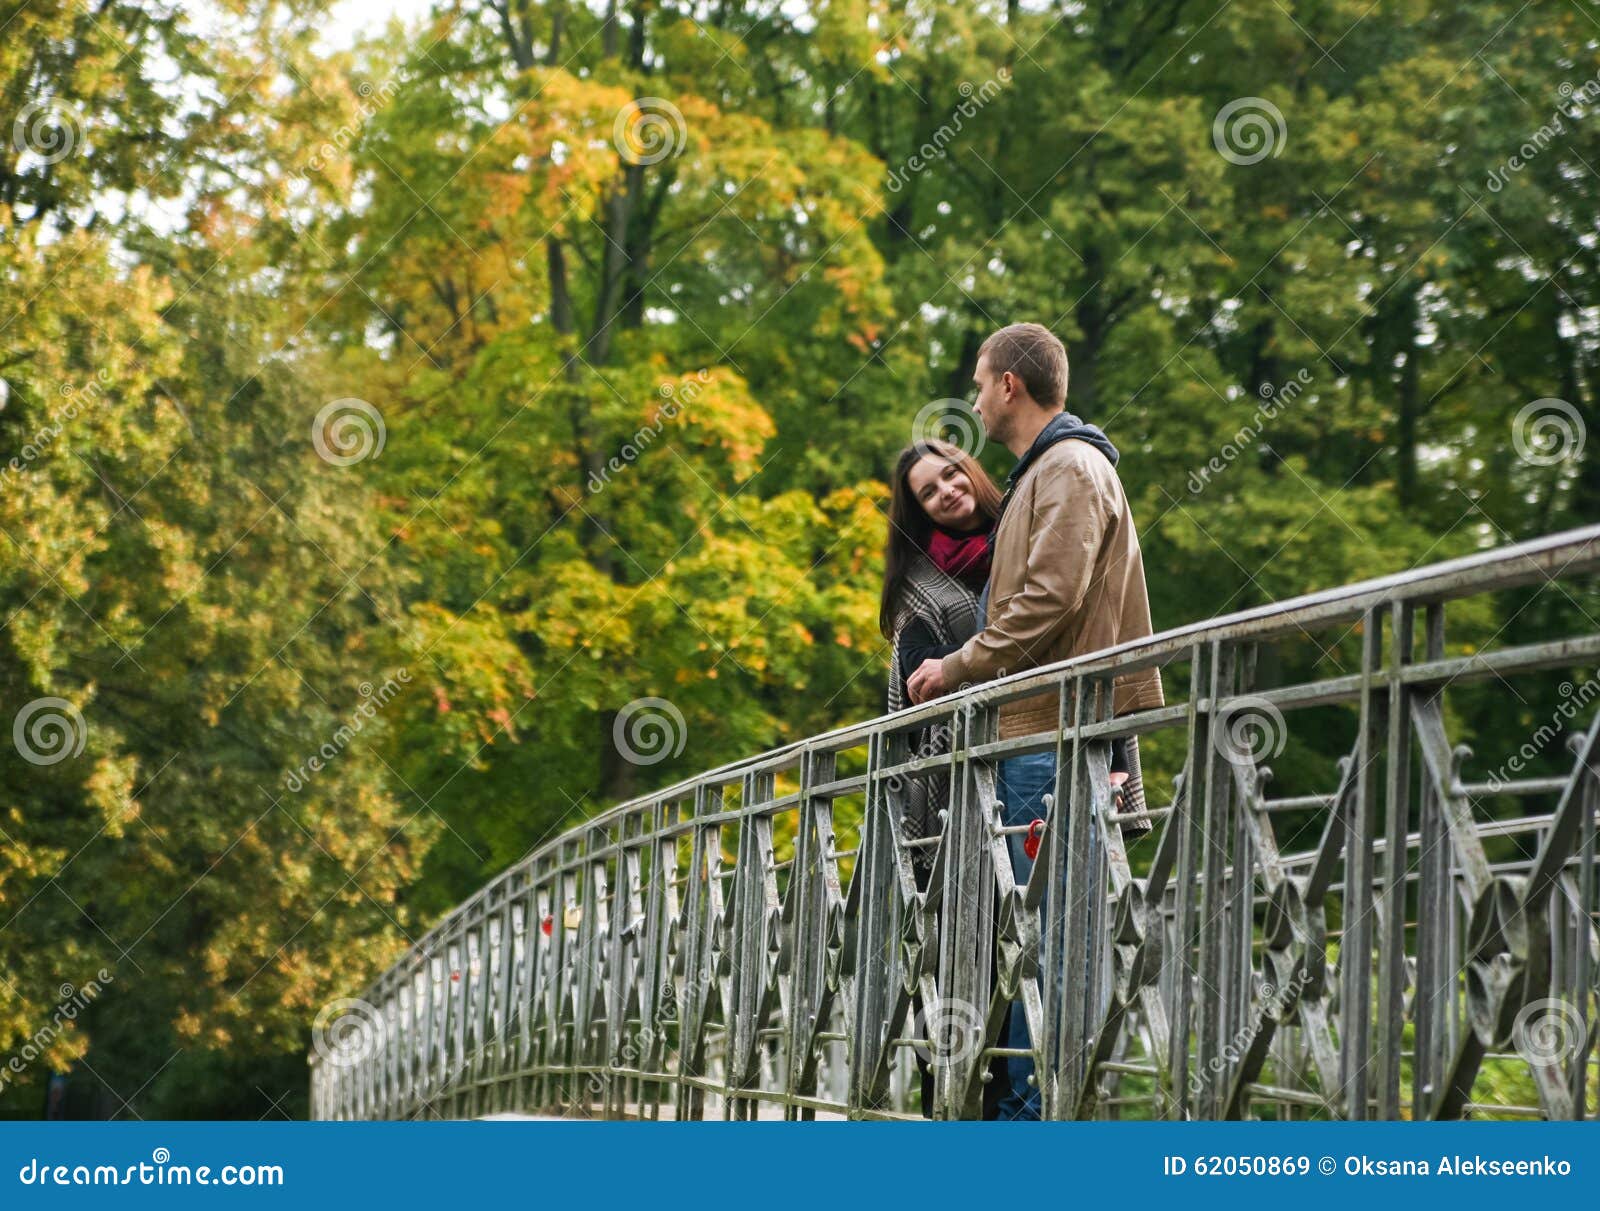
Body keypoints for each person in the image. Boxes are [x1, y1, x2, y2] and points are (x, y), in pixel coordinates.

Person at [906, 322, 1164, 1120]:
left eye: (980, 383)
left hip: (1046, 737)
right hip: (1036, 736)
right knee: (1037, 934)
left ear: (1009, 385)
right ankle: (1029, 1111)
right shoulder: (1050, 470)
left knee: (1047, 938)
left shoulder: (1070, 467)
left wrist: (957, 665)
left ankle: (1032, 1119)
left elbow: (1051, 600)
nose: (976, 398)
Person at [880, 438, 1002, 878]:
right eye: (929, 492)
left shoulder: (1023, 529)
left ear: (969, 470)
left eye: (950, 474)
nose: (946, 491)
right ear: (922, 511)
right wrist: (992, 653)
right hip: (960, 759)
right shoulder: (918, 575)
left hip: (1044, 730)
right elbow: (914, 663)